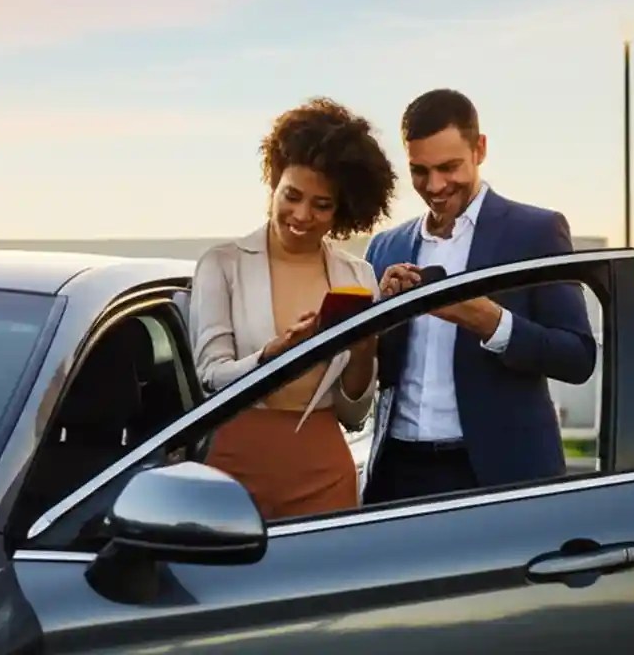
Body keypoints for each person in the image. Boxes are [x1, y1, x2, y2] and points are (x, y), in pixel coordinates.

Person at [362, 88, 597, 505]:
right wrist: (380, 315)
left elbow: (578, 356)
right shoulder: (385, 247)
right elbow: (368, 372)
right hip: (396, 474)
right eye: (420, 171)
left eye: (448, 167)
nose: (434, 185)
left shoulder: (535, 232)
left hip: (496, 477)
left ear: (480, 149)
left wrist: (492, 323)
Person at [190, 97, 398, 519]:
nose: (302, 215)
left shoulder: (358, 275)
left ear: (342, 210)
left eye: (322, 205)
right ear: (273, 183)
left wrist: (364, 351)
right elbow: (209, 377)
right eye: (292, 195)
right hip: (230, 471)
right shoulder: (223, 264)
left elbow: (354, 415)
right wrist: (274, 354)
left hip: (324, 473)